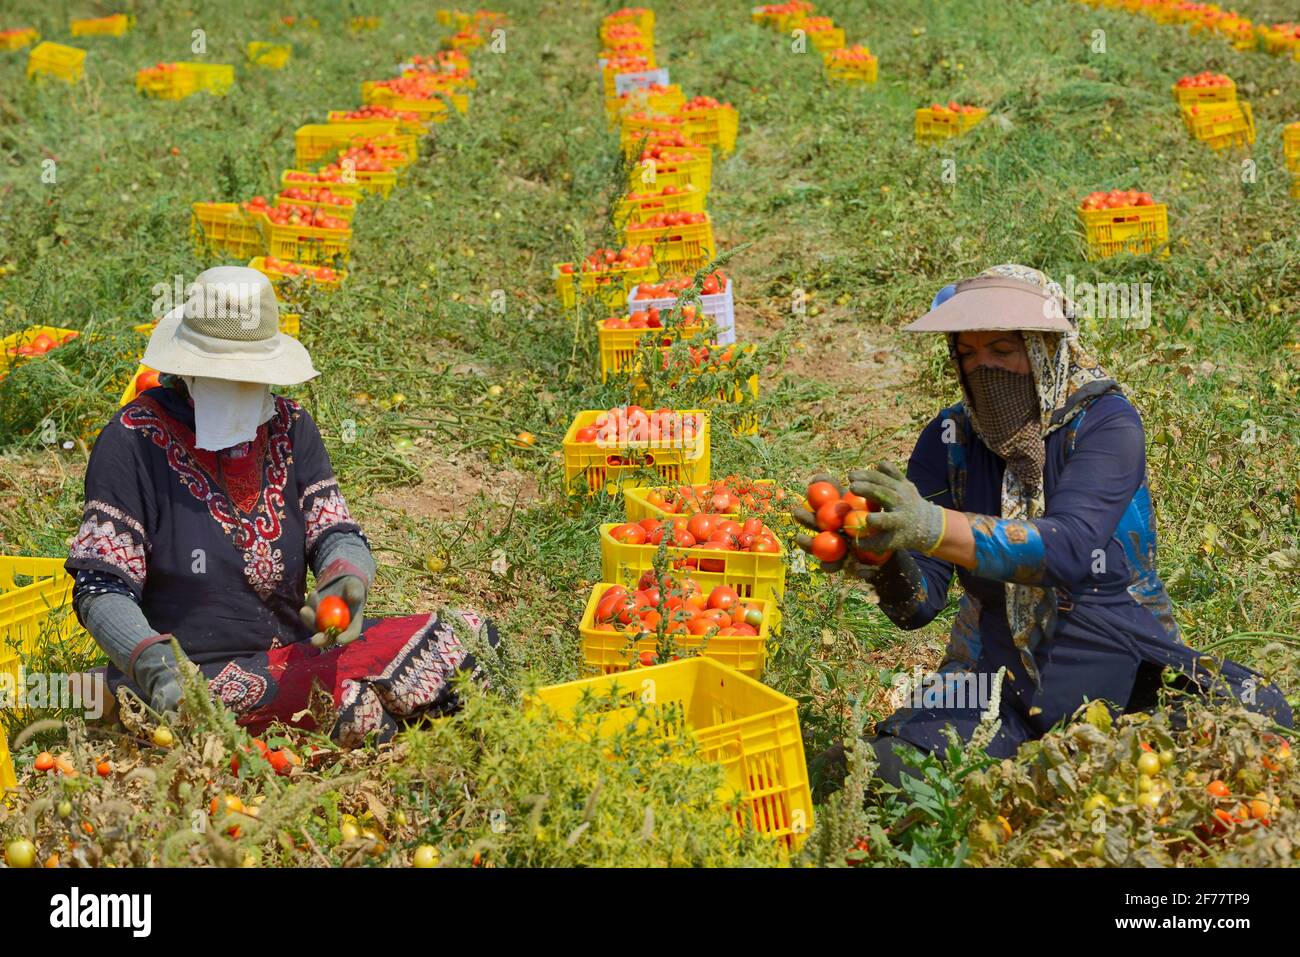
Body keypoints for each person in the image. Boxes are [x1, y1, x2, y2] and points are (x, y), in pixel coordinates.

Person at [799, 264, 1292, 791]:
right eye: (968, 353)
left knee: (1255, 711)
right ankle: (1035, 770)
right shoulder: (949, 440)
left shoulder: (1106, 423)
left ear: (1044, 348)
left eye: (1002, 351)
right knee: (864, 774)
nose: (982, 367)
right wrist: (881, 558)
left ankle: (1052, 771)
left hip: (1119, 665)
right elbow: (918, 606)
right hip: (995, 678)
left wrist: (932, 524)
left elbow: (1069, 548)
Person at [66, 266, 497, 747]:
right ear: (189, 371)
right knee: (351, 707)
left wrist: (346, 582)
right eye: (232, 378)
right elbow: (100, 586)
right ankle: (127, 701)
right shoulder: (132, 441)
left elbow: (336, 532)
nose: (251, 390)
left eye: (257, 377)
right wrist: (153, 664)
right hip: (190, 677)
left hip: (294, 654)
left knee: (468, 635)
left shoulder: (290, 428)